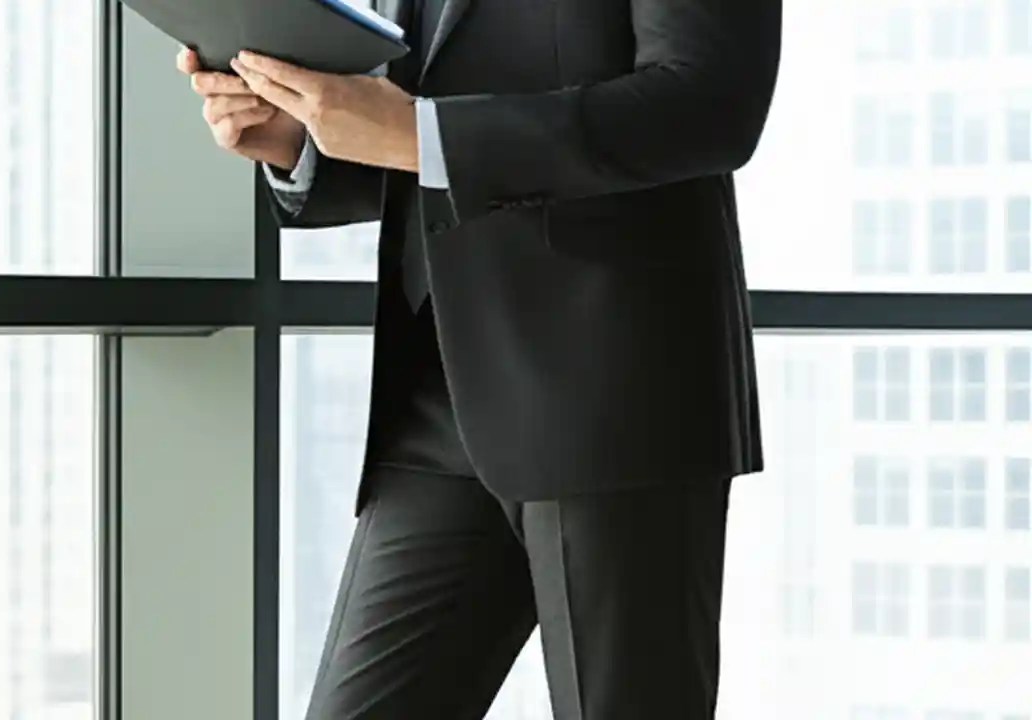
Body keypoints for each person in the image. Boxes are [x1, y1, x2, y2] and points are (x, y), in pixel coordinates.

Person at [179, 0, 780, 716]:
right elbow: (425, 118)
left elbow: (709, 103)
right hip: (436, 392)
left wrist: (416, 132)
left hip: (609, 387)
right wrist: (299, 137)